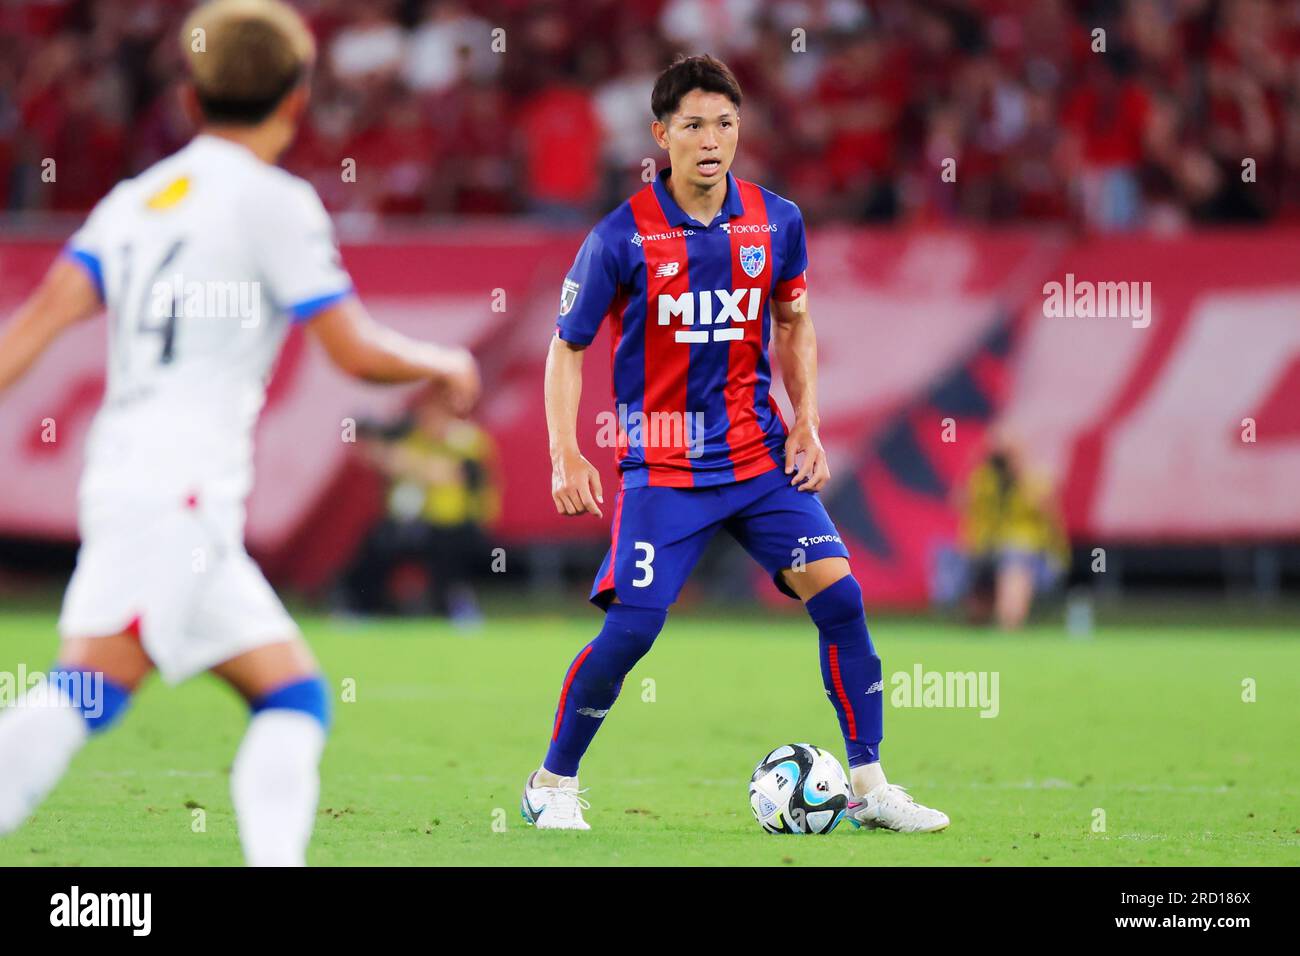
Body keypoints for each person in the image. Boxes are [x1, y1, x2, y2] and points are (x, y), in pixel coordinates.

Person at [0, 0, 478, 866]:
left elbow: (27, 333)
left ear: (191, 96)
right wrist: (441, 362)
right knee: (89, 688)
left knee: (293, 694)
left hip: (155, 486)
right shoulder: (274, 203)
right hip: (174, 490)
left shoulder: (134, 202)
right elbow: (353, 350)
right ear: (297, 99)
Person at [521, 55, 949, 833]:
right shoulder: (621, 237)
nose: (711, 139)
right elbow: (566, 346)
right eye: (692, 125)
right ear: (662, 135)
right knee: (633, 630)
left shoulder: (775, 220)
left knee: (843, 597)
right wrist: (565, 452)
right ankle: (552, 781)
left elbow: (794, 322)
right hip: (665, 465)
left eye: (724, 122)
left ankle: (869, 787)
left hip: (758, 460)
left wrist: (807, 421)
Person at [341, 385, 499, 620]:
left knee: (447, 547)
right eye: (425, 411)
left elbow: (450, 474)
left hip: (462, 526)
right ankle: (361, 607)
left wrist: (405, 463)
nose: (428, 418)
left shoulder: (468, 440)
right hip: (418, 524)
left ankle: (456, 604)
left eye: (436, 411)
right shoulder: (414, 439)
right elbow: (373, 454)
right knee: (378, 541)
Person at [956, 434, 1069, 630]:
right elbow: (959, 500)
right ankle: (985, 620)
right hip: (987, 550)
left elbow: (1051, 518)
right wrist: (973, 463)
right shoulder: (984, 479)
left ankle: (1010, 622)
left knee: (1015, 555)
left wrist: (1059, 553)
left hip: (1032, 554)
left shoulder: (1035, 479)